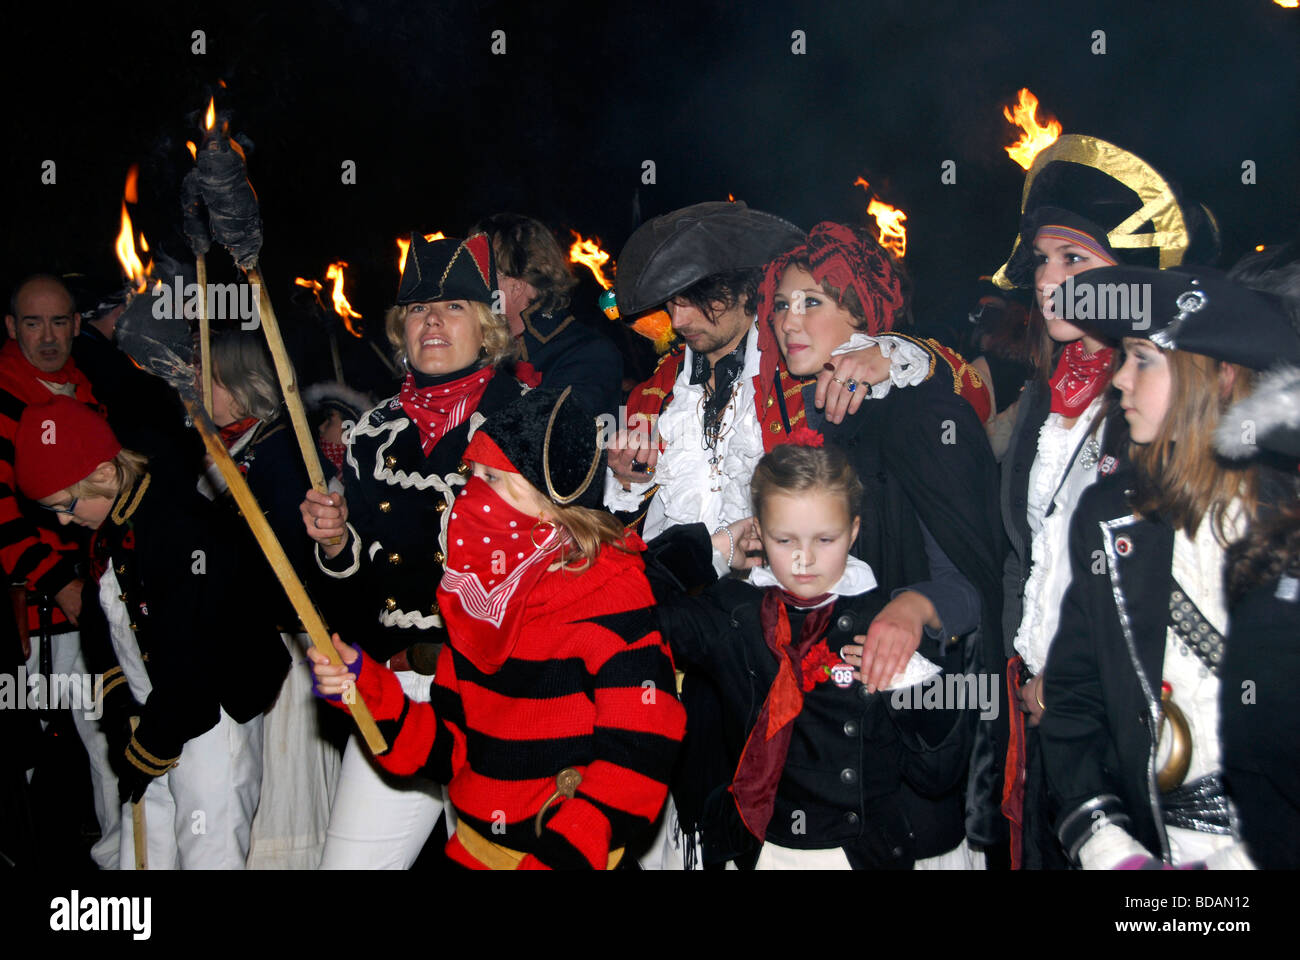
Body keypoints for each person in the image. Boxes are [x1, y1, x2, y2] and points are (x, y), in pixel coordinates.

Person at [309, 388, 686, 868]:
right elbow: (450, 749)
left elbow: (638, 759)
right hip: (473, 854)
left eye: (493, 478)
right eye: (474, 476)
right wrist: (364, 686)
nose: (470, 495)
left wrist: (560, 855)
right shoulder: (482, 598)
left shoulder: (611, 599)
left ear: (549, 508)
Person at [991, 134, 1220, 868]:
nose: (1048, 280)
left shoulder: (1161, 403)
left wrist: (1077, 678)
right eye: (1042, 262)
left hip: (1129, 726)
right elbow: (1018, 552)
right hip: (1038, 715)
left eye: (1075, 259)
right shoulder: (1038, 399)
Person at [756, 222, 1005, 867]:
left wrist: (911, 607)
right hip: (821, 763)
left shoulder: (924, 417)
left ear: (863, 314)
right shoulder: (796, 414)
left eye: (814, 301)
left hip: (909, 748)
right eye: (782, 304)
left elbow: (976, 586)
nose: (790, 320)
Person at [1037, 264, 1300, 869]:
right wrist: (1110, 849)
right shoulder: (1107, 516)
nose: (1120, 380)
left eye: (1143, 358)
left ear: (1221, 375)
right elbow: (1076, 700)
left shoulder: (1288, 529)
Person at [299, 233, 527, 869]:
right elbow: (353, 589)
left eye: (453, 306)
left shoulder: (529, 422)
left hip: (495, 695)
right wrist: (337, 541)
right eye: (419, 309)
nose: (432, 320)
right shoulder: (374, 432)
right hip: (396, 688)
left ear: (486, 329)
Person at [648, 443, 973, 868]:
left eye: (825, 539)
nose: (805, 559)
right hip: (757, 850)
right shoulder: (734, 613)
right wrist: (714, 547)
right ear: (760, 533)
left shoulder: (885, 625)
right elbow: (630, 610)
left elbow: (938, 776)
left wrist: (912, 690)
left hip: (858, 854)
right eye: (785, 540)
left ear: (854, 531)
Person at [13, 396, 288, 868]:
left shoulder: (178, 526)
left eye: (65, 505)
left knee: (206, 850)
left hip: (205, 722)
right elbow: (102, 624)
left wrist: (153, 742)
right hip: (153, 721)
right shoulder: (108, 525)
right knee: (146, 853)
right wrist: (121, 706)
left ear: (102, 473)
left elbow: (195, 649)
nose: (62, 520)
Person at [203, 331, 343, 869]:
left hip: (286, 641)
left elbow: (292, 548)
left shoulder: (279, 449)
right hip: (250, 637)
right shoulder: (233, 444)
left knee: (288, 791)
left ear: (239, 383)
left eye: (208, 378)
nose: (195, 387)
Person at [0, 274, 120, 867]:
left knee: (104, 735)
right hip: (35, 607)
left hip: (92, 596)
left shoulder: (87, 387)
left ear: (76, 324)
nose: (46, 336)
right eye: (31, 322)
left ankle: (119, 860)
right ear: (11, 327)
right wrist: (59, 581)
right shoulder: (3, 395)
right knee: (32, 746)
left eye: (58, 322)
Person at [468, 212, 624, 423]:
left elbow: (547, 438)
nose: (466, 291)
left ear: (516, 285)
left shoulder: (588, 353)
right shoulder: (472, 351)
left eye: (478, 276)